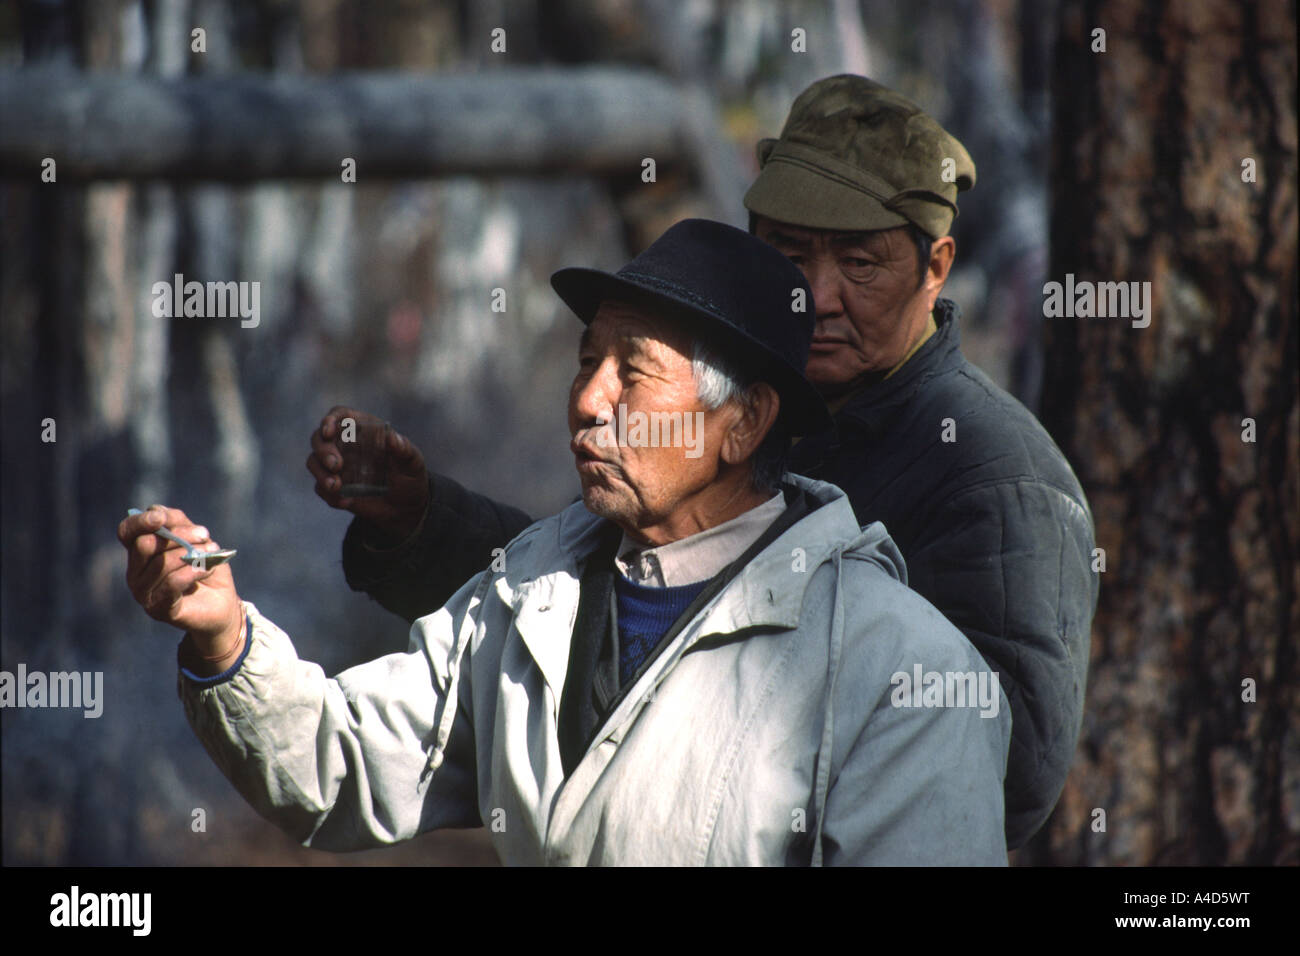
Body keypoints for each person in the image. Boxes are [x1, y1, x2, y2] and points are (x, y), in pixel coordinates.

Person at [309, 76, 1097, 850]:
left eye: (859, 263)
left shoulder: (994, 476)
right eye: (790, 253)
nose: (813, 296)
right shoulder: (747, 401)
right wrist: (422, 524)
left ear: (937, 265)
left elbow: (1006, 774)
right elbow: (589, 609)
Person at [120, 219, 1010, 865]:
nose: (588, 400)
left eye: (634, 371)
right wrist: (225, 640)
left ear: (743, 423)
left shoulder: (899, 670)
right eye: (589, 360)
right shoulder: (531, 589)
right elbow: (344, 765)